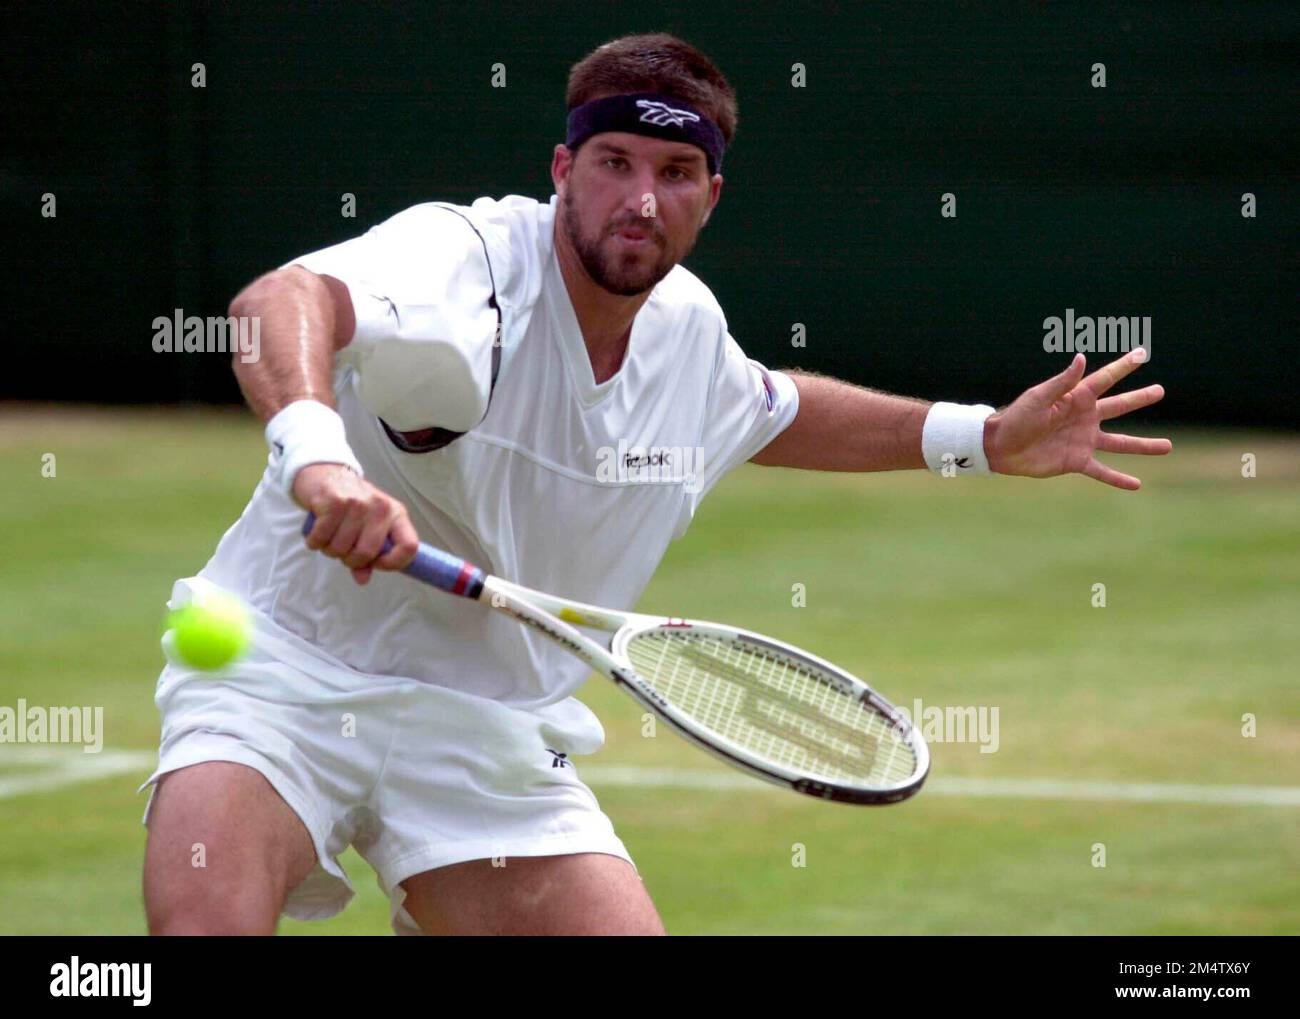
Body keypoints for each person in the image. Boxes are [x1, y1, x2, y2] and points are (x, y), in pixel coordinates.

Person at [141, 32, 1171, 936]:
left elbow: (770, 408)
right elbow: (280, 300)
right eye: (614, 163)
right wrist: (318, 460)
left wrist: (982, 437)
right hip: (282, 672)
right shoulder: (465, 264)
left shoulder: (686, 331)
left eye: (677, 172)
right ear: (562, 168)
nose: (640, 200)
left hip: (489, 724)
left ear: (710, 195)